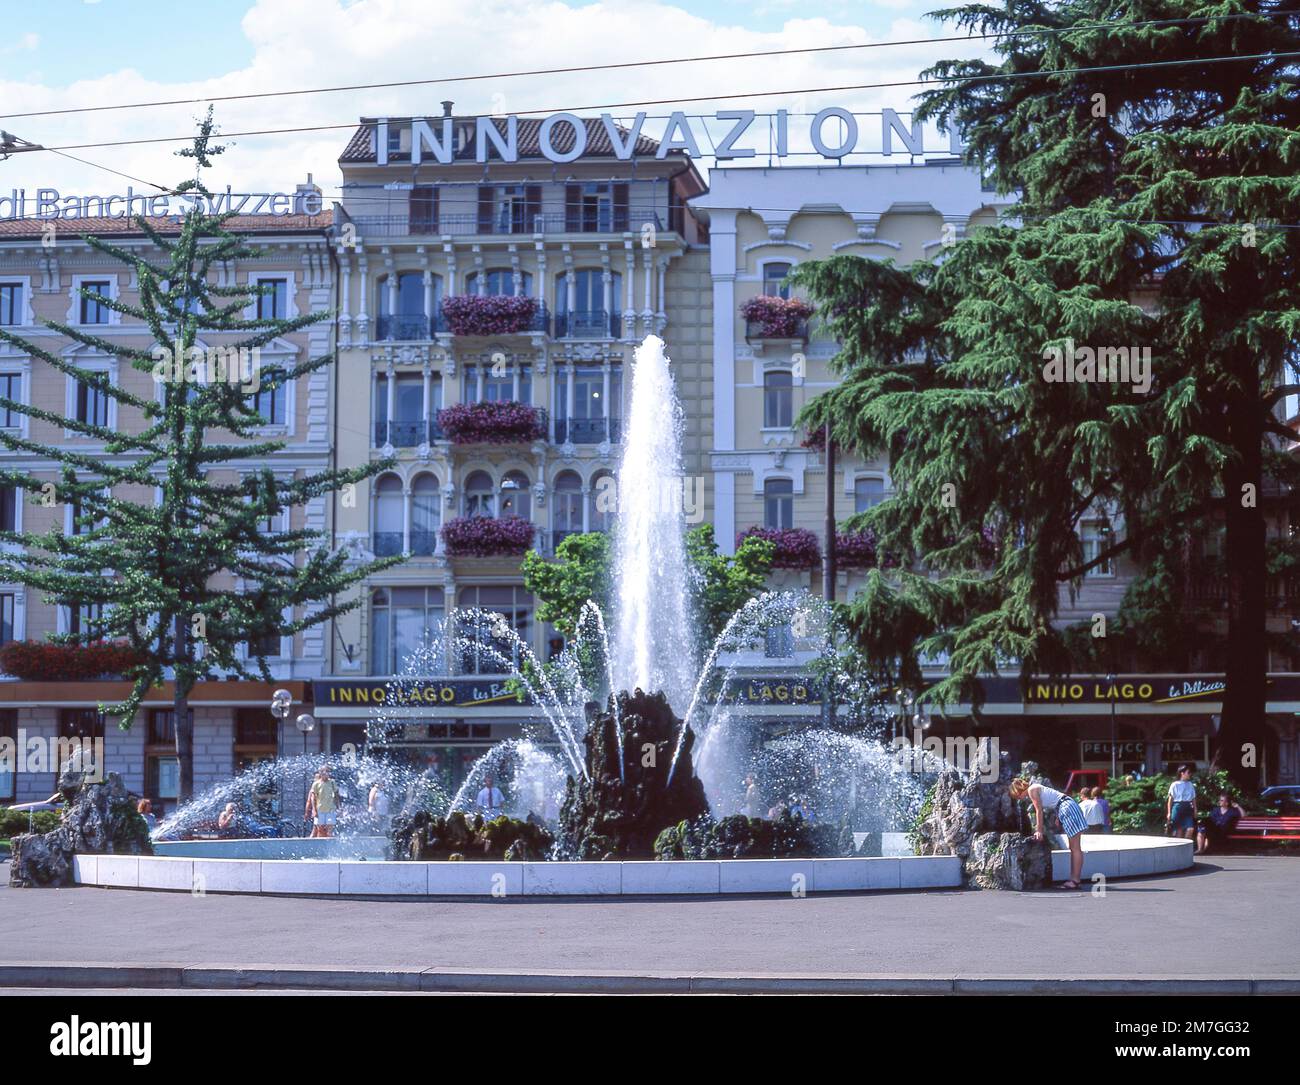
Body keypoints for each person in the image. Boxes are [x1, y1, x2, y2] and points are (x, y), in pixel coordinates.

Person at [1009, 776, 1088, 889]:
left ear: (1019, 791)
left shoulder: (1032, 790)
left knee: (1075, 848)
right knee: (1074, 847)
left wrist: (1039, 831)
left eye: (1017, 796)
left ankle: (1075, 880)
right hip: (1066, 806)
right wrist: (1058, 816)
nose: (1019, 799)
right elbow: (1055, 799)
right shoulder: (1035, 788)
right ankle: (1075, 879)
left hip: (1067, 807)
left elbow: (1039, 810)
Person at [1166, 764, 1198, 841]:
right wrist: (1169, 812)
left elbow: (1193, 798)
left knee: (1190, 828)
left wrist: (1195, 809)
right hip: (1178, 807)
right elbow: (1170, 799)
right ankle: (1179, 850)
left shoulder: (1190, 785)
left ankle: (1186, 845)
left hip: (1187, 807)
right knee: (1179, 830)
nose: (1190, 774)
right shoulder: (1175, 785)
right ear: (1182, 773)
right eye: (1188, 772)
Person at [307, 766, 340, 838]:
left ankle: (329, 846)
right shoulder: (316, 784)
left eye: (328, 772)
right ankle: (321, 845)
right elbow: (313, 797)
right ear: (321, 773)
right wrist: (314, 810)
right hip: (320, 809)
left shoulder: (332, 782)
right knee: (320, 829)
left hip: (330, 809)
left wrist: (338, 807)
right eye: (325, 771)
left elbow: (336, 795)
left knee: (329, 829)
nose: (327, 774)